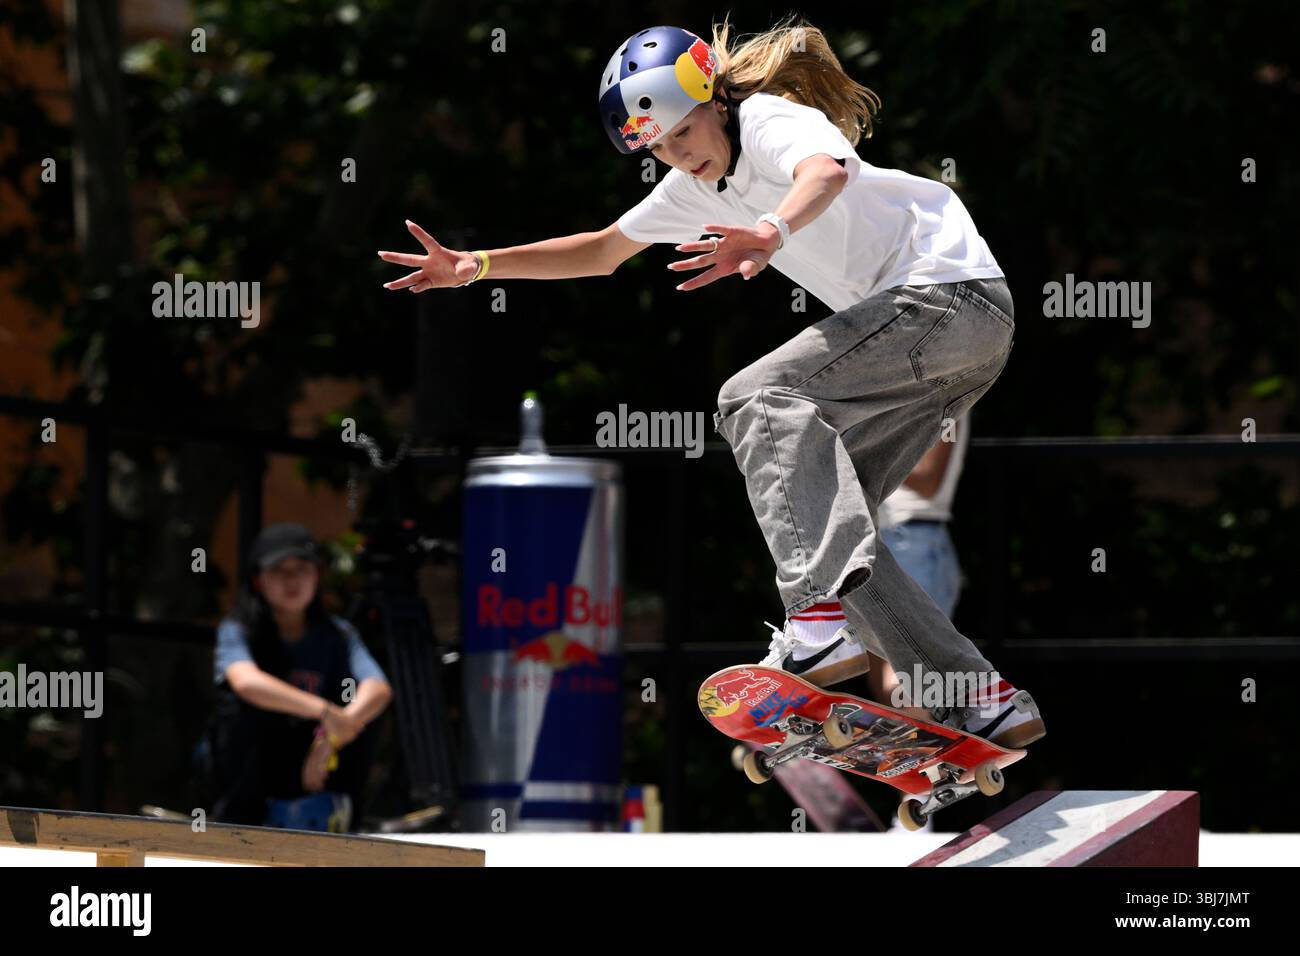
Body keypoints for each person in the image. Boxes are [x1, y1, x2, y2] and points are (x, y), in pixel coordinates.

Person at [377, 17, 1043, 748]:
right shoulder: (690, 188)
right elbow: (601, 251)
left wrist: (770, 231)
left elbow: (825, 173)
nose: (678, 155)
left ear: (715, 101)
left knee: (754, 396)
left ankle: (815, 622)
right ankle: (977, 695)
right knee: (838, 523)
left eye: (684, 133)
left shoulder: (767, 120)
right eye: (659, 147)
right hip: (956, 343)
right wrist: (476, 266)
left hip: (944, 297)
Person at [208, 522, 393, 830]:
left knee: (364, 713)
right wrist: (325, 712)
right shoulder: (239, 629)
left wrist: (330, 738)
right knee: (236, 709)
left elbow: (378, 688)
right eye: (279, 570)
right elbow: (246, 682)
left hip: (317, 760)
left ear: (317, 575)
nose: (292, 580)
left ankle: (345, 817)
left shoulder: (339, 634)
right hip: (260, 762)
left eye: (302, 569)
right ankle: (238, 820)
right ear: (258, 581)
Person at [864, 416, 970, 709]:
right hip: (885, 538)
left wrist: (862, 457)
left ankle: (926, 735)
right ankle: (916, 735)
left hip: (914, 541)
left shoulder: (948, 408)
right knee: (885, 675)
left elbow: (928, 480)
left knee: (905, 677)